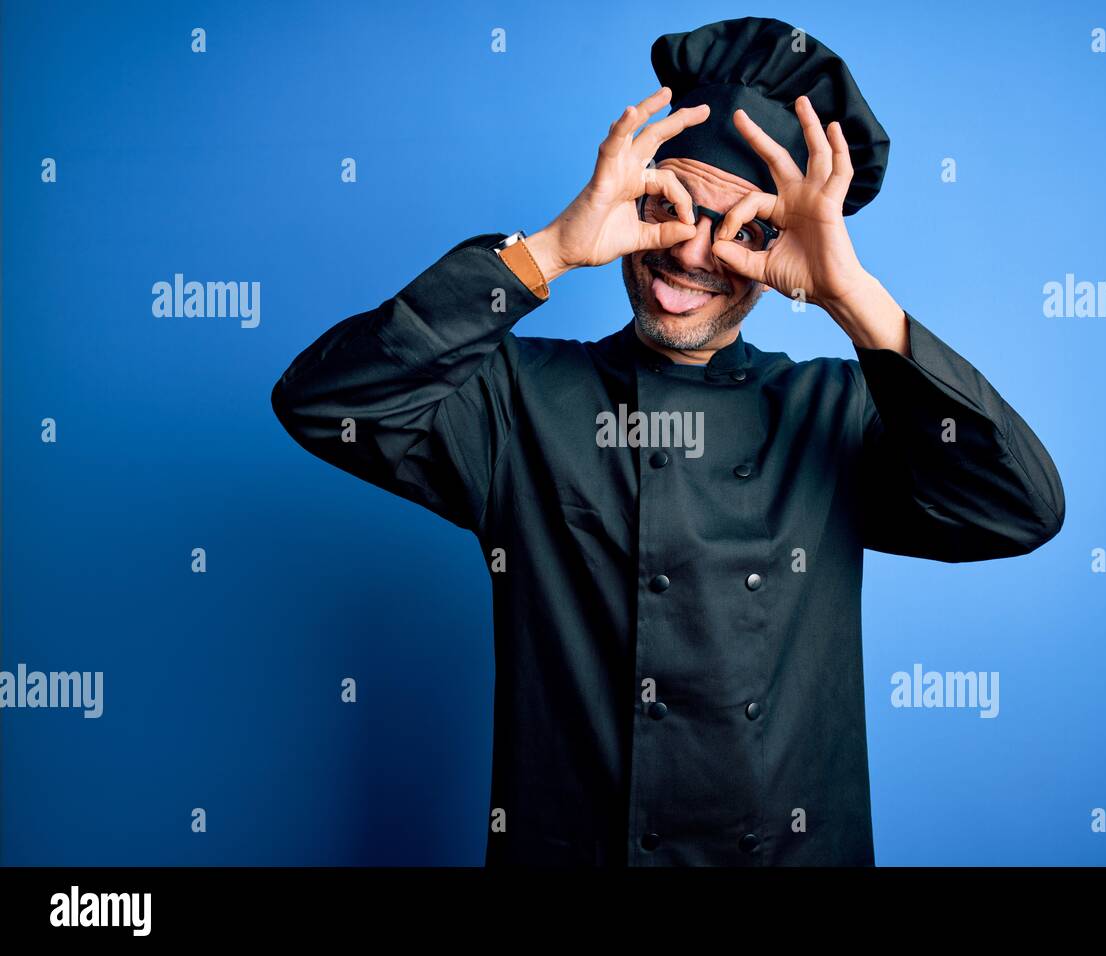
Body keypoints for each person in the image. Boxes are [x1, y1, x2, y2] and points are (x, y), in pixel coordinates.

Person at [270, 16, 1065, 866]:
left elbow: (1017, 508)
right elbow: (324, 402)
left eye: (739, 227)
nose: (689, 251)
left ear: (780, 243)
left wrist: (852, 296)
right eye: (667, 206)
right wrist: (548, 252)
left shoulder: (834, 413)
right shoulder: (516, 400)